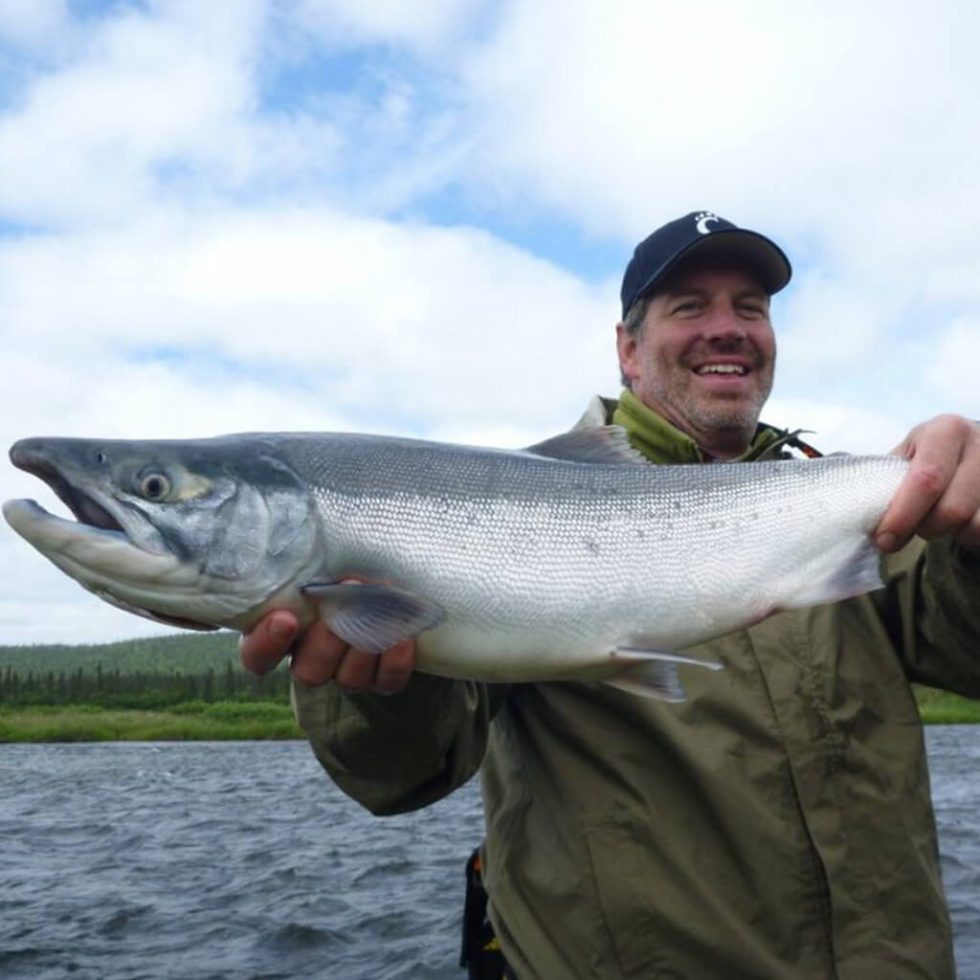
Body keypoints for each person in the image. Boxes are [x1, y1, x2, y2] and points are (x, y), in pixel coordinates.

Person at [241, 211, 980, 979]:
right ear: (628, 350)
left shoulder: (864, 512)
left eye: (749, 308)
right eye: (689, 306)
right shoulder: (497, 519)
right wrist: (365, 682)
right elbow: (399, 773)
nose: (726, 328)